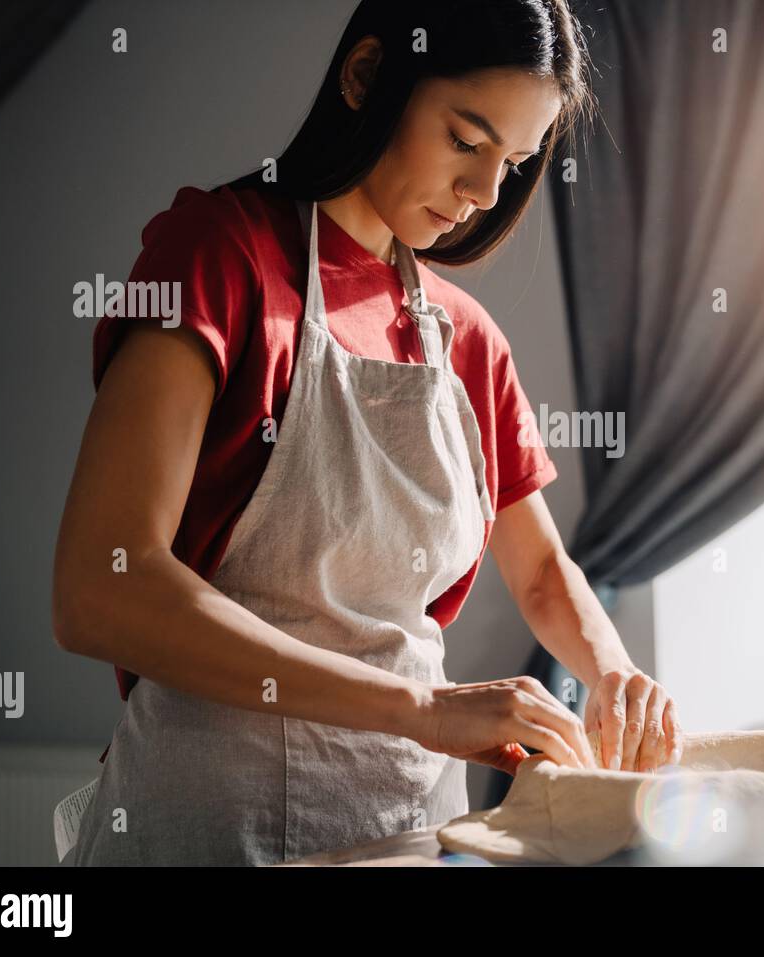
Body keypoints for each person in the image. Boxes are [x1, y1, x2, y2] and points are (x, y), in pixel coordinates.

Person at [52, 0, 683, 866]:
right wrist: (424, 709)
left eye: (516, 161)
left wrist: (613, 670)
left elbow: (540, 570)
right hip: (207, 826)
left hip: (411, 827)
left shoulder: (465, 338)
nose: (484, 195)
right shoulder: (219, 257)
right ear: (365, 76)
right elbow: (100, 587)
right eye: (467, 140)